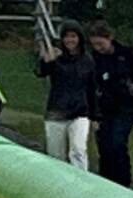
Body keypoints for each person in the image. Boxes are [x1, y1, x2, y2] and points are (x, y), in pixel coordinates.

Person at [87, 20, 133, 187]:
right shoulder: (94, 59)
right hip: (104, 108)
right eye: (95, 44)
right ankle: (106, 181)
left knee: (117, 143)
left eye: (101, 43)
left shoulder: (125, 54)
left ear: (110, 38)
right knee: (104, 145)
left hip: (125, 107)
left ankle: (123, 181)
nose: (98, 48)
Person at [36, 21, 98, 170]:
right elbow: (40, 72)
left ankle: (81, 183)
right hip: (57, 112)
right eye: (66, 37)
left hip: (80, 112)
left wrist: (95, 115)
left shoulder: (87, 61)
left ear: (79, 38)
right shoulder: (56, 57)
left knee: (78, 150)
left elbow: (91, 88)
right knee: (55, 156)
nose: (70, 40)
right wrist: (46, 61)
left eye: (73, 36)